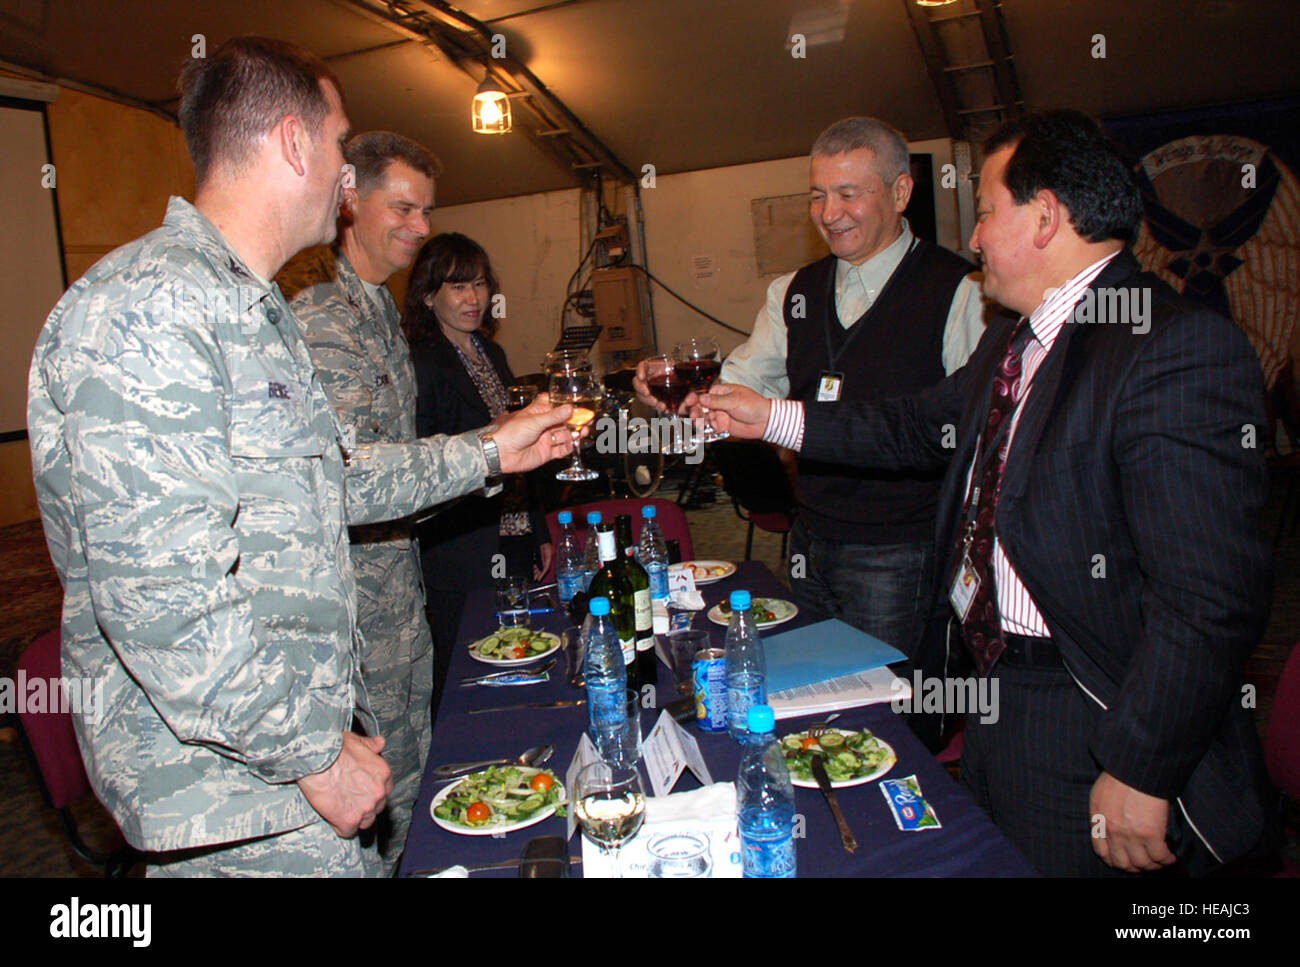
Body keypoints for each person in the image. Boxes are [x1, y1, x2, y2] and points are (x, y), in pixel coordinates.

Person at [27, 36, 577, 877]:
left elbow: (336, 480)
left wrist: (490, 450)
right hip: (232, 791)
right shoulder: (151, 309)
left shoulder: (251, 307)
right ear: (293, 142)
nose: (345, 174)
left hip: (281, 761)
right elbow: (163, 599)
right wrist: (312, 750)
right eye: (338, 143)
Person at [704, 110, 1277, 876]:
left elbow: (1208, 597)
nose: (973, 239)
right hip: (997, 687)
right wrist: (770, 415)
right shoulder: (1015, 339)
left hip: (1087, 711)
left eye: (985, 212)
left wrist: (1143, 764)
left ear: (1045, 217)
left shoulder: (1172, 346)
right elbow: (914, 427)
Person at [635, 117, 986, 659]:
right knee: (816, 692)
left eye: (848, 194)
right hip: (809, 538)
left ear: (900, 193)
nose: (829, 213)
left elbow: (969, 433)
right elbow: (744, 382)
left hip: (901, 550)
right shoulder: (793, 291)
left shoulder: (960, 292)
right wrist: (685, 395)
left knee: (883, 699)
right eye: (818, 196)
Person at [277, 130, 439, 876]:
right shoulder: (321, 313)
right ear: (350, 201)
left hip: (399, 597)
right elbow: (354, 480)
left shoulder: (376, 305)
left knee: (413, 786)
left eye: (427, 210)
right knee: (375, 809)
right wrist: (491, 451)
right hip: (353, 623)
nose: (420, 226)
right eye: (403, 208)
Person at [403, 233, 553, 705]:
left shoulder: (492, 353)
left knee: (523, 648)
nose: (473, 298)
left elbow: (521, 451)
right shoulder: (420, 362)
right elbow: (425, 458)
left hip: (512, 529)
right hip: (461, 539)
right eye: (457, 286)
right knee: (470, 663)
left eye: (480, 284)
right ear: (429, 296)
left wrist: (538, 528)